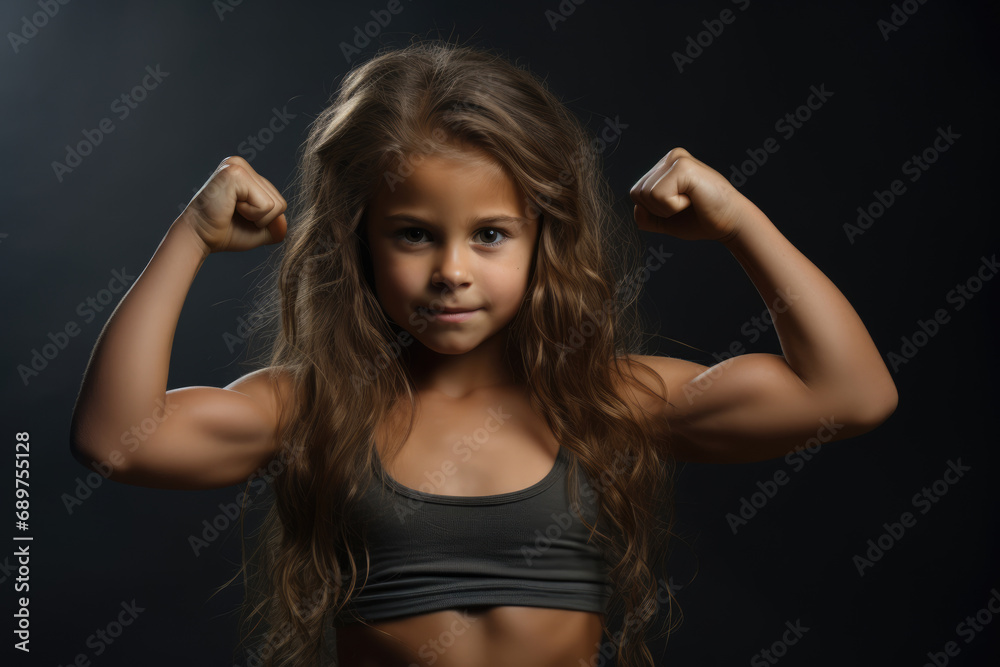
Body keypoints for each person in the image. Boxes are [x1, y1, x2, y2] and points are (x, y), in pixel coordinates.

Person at [69, 38, 898, 667]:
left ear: (545, 238)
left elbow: (852, 394)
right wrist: (191, 234)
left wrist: (738, 218)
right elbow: (115, 438)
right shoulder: (310, 405)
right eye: (414, 235)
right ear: (357, 241)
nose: (453, 271)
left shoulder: (610, 399)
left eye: (491, 234)